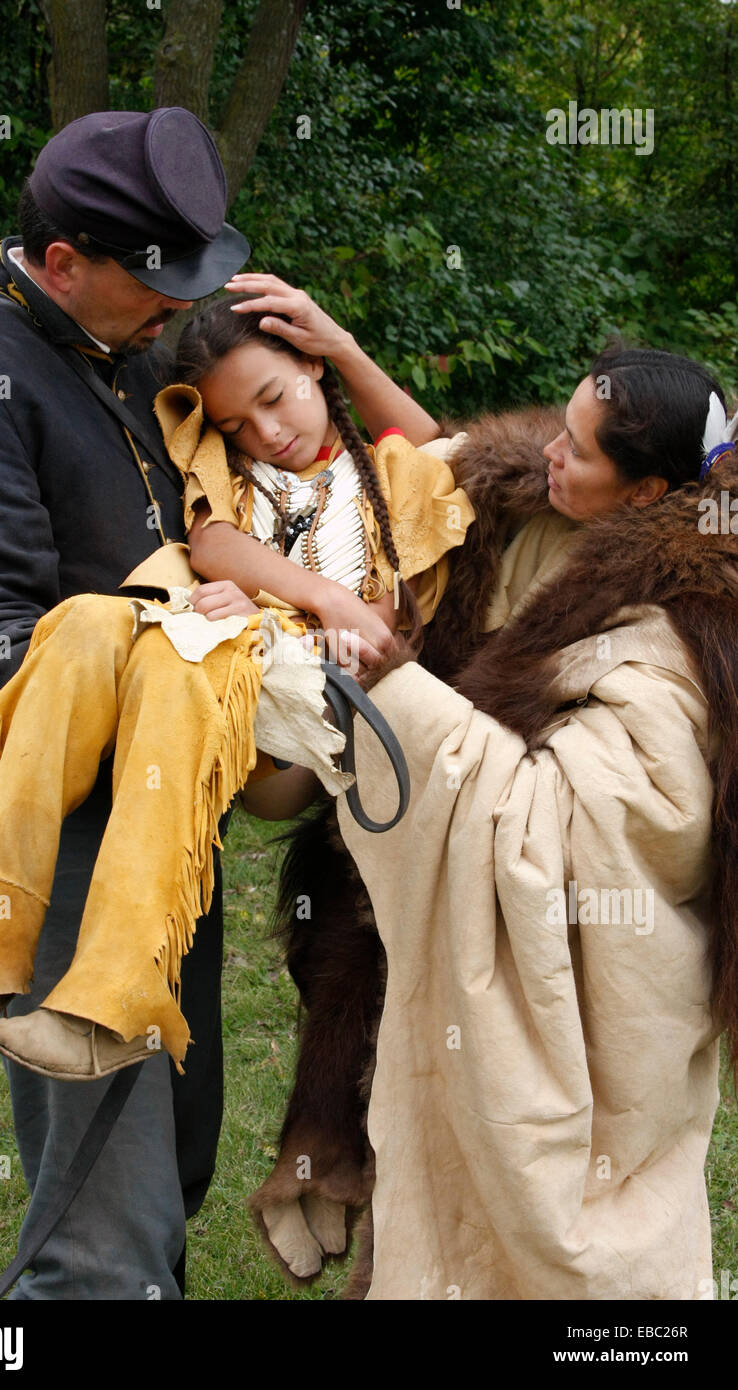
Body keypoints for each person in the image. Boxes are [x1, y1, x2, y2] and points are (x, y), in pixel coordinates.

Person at [236, 280, 738, 1300]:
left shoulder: (688, 626)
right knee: (426, 1125)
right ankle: (340, 1164)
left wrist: (400, 695)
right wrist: (335, 342)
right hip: (430, 924)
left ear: (646, 494)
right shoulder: (535, 502)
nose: (554, 447)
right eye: (562, 424)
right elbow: (435, 457)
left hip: (597, 974)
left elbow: (602, 825)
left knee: (557, 1214)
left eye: (582, 448)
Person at [0, 106, 257, 1302]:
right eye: (153, 284)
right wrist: (161, 648)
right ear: (57, 263)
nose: (173, 310)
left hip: (148, 818)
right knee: (103, 1236)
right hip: (55, 828)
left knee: (170, 1154)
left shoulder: (123, 353)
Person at [0, 296, 475, 1088]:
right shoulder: (239, 478)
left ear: (314, 366)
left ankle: (113, 996)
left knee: (182, 656)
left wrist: (342, 343)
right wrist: (268, 612)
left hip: (323, 720)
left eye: (275, 399)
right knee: (82, 624)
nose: (266, 433)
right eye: (239, 424)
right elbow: (207, 539)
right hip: (231, 675)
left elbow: (439, 475)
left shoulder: (386, 473)